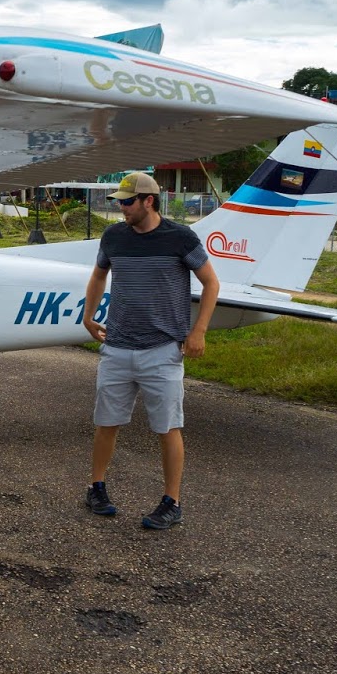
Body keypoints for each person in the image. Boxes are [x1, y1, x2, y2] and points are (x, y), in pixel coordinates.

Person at [81, 171, 219, 531]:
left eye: (127, 202)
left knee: (167, 427)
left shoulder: (179, 237)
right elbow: (98, 275)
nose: (121, 208)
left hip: (162, 350)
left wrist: (199, 330)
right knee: (105, 422)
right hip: (117, 347)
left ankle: (172, 502)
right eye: (119, 202)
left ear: (148, 201)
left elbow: (210, 282)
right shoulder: (113, 237)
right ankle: (96, 488)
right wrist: (88, 315)